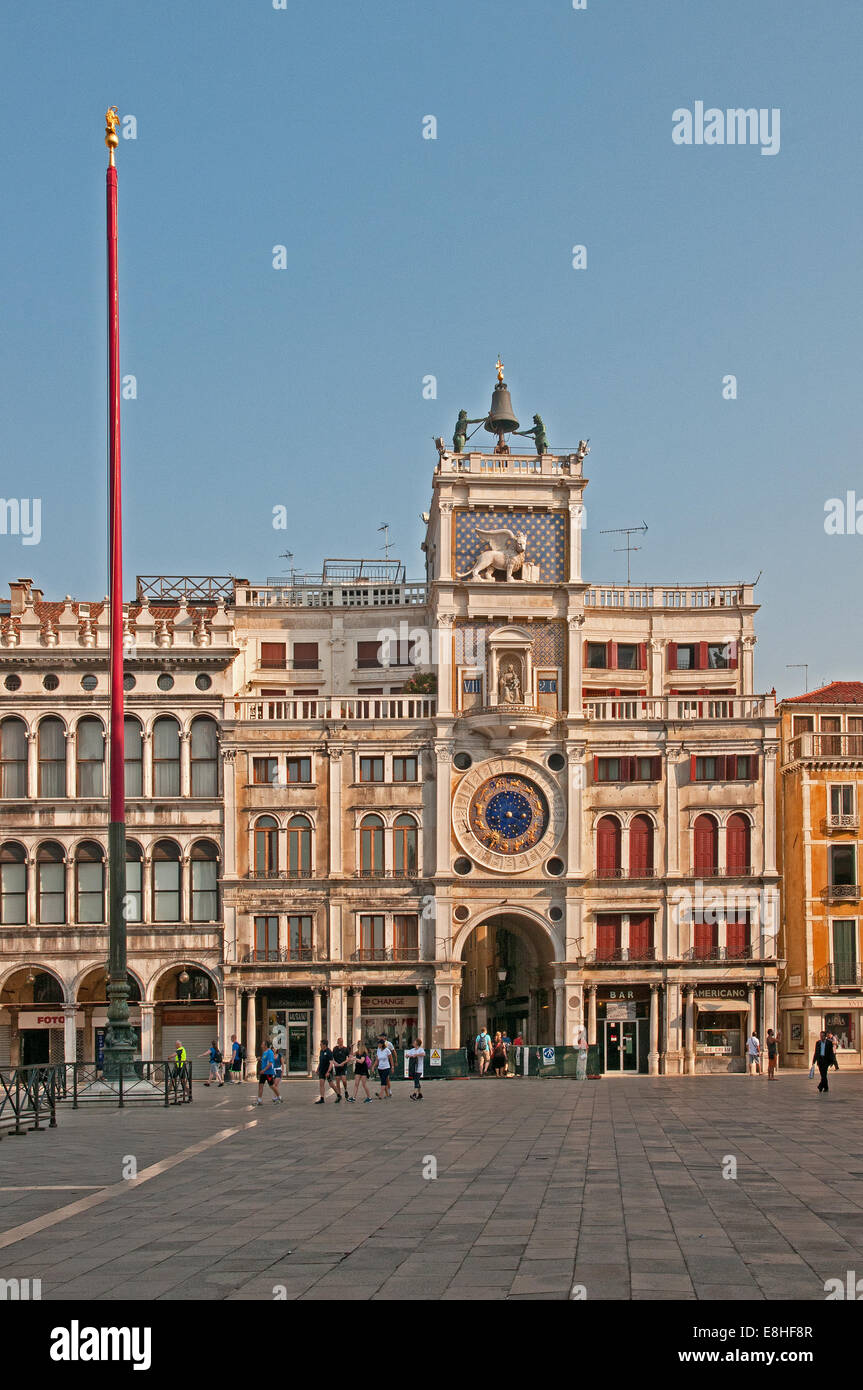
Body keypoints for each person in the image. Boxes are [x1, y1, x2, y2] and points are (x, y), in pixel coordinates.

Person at [253, 1037, 282, 1105]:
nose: (261, 1045)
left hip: (268, 1073)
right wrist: (260, 1058)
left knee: (272, 1086)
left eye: (262, 1044)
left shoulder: (270, 1052)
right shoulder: (265, 1052)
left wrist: (264, 1070)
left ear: (266, 1045)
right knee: (260, 1085)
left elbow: (270, 1063)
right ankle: (259, 1100)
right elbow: (265, 1060)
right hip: (263, 1073)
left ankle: (279, 1097)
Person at [331, 1037, 352, 1102]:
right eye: (339, 1041)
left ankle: (345, 1090)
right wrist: (335, 1063)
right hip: (337, 1066)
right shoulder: (335, 1049)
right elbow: (332, 1058)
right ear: (337, 1042)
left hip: (343, 1066)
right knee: (337, 1080)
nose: (340, 1043)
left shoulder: (345, 1049)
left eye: (341, 1041)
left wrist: (344, 1062)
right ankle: (339, 1095)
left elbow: (349, 1058)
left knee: (344, 1080)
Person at [314, 1039, 335, 1103]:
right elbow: (321, 1061)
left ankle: (338, 1094)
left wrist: (328, 1071)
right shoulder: (321, 1051)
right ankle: (322, 1098)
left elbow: (331, 1063)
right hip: (322, 1070)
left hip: (328, 1070)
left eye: (321, 1044)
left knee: (331, 1085)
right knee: (321, 1084)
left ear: (324, 1045)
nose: (320, 1045)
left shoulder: (329, 1052)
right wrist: (317, 1069)